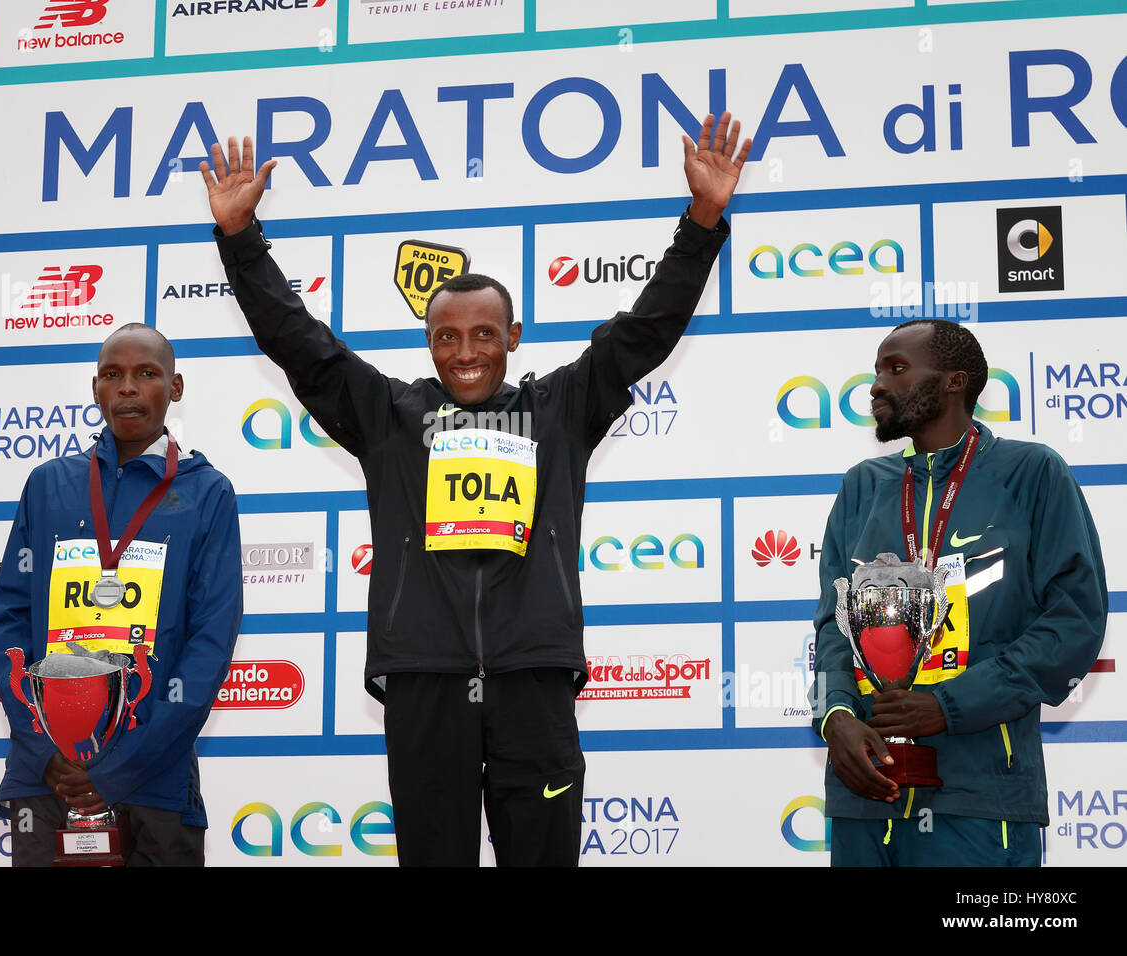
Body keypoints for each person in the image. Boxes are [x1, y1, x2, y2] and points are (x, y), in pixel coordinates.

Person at [201, 113, 750, 866]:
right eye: (448, 336)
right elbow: (301, 344)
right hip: (426, 677)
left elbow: (644, 331)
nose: (466, 351)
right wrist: (239, 238)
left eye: (484, 334)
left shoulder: (558, 411)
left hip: (533, 679)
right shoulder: (391, 417)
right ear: (429, 343)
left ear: (513, 336)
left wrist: (703, 220)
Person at [810, 318, 1107, 866]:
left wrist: (948, 706)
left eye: (896, 369)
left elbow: (1074, 624)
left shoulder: (1031, 472)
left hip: (979, 796)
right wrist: (837, 719)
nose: (877, 385)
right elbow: (834, 625)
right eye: (877, 370)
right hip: (865, 795)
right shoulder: (861, 486)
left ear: (954, 381)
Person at [0, 323, 242, 866]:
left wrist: (122, 766)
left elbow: (210, 642)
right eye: (113, 375)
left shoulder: (206, 493)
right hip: (47, 776)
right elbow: (9, 622)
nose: (127, 387)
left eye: (146, 374)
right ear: (95, 388)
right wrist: (41, 746)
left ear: (174, 388)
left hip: (154, 775)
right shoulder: (47, 484)